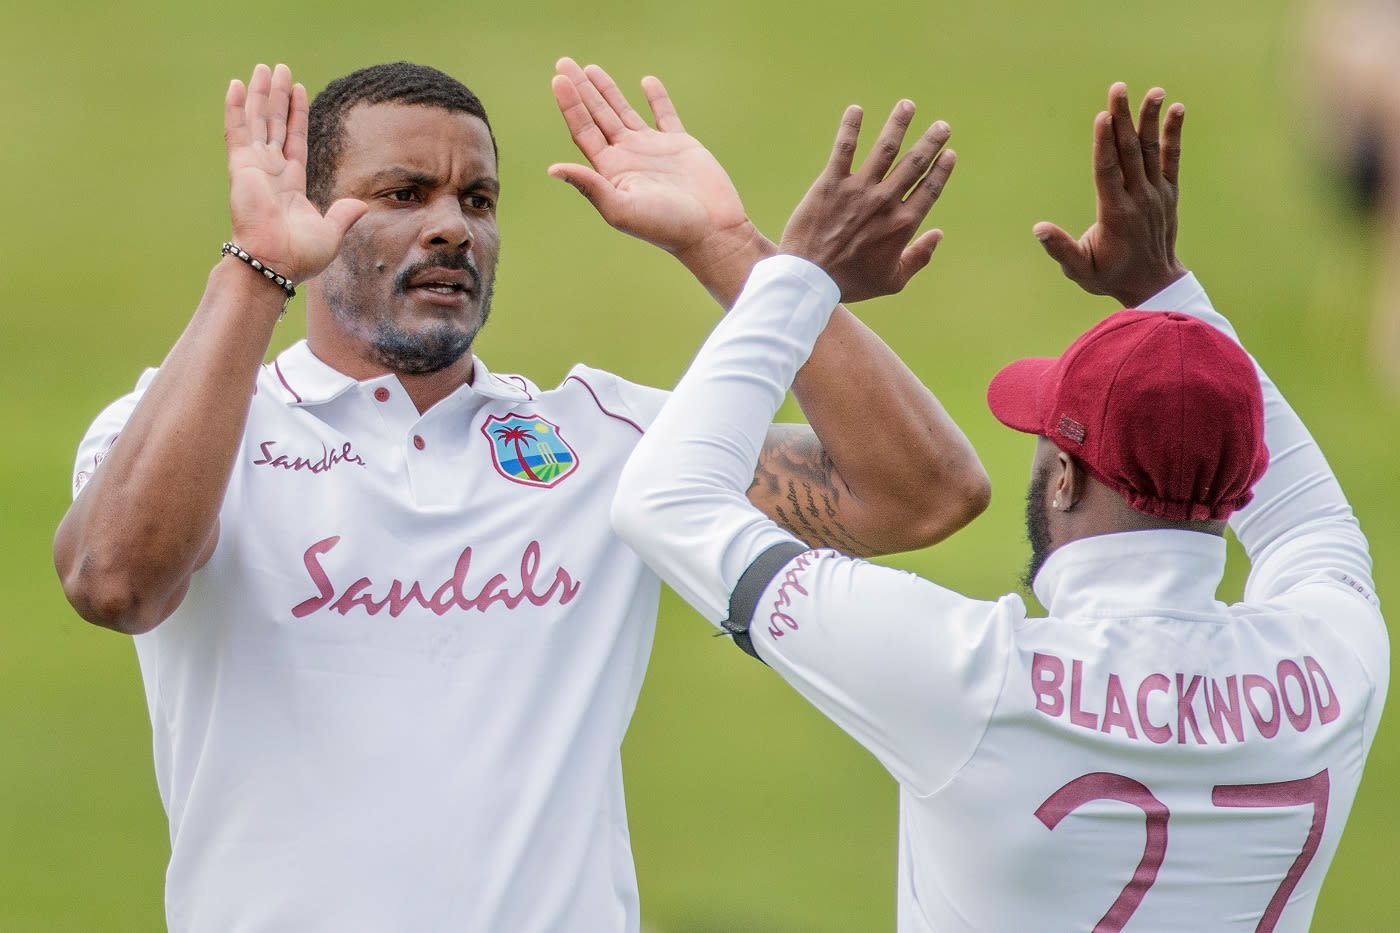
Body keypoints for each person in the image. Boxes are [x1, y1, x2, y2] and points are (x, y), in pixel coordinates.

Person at [50, 58, 987, 931]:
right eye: (403, 194)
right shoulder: (185, 425)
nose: (454, 224)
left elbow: (920, 497)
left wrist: (736, 251)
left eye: (479, 198)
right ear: (311, 210)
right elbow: (116, 582)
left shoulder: (606, 442)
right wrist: (255, 270)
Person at [613, 82, 1389, 931]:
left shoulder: (971, 679)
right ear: (1241, 483)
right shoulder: (1333, 664)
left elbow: (668, 499)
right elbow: (1310, 521)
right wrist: (1167, 295)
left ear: (1065, 477)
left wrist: (800, 275)